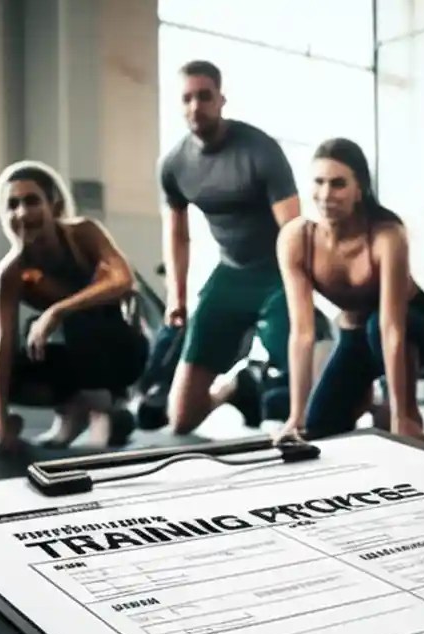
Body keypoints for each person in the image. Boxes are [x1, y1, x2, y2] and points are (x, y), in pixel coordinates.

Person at [0, 161, 147, 452]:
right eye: (12, 205)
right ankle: (76, 406)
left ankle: (106, 402)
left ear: (54, 207)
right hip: (74, 360)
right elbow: (3, 344)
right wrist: (1, 422)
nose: (22, 212)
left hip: (121, 351)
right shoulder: (10, 272)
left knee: (78, 320)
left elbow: (124, 278)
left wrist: (57, 311)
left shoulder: (83, 233)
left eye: (32, 201)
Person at [158, 60, 301, 435]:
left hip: (277, 276)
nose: (195, 106)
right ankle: (236, 386)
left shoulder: (260, 149)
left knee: (315, 399)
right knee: (181, 419)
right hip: (229, 276)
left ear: (221, 99)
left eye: (204, 96)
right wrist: (177, 295)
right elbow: (176, 233)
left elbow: (293, 229)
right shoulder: (173, 165)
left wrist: (302, 289)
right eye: (187, 98)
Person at [275, 138, 424, 441]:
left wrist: (402, 417)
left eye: (338, 184)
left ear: (360, 189)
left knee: (375, 328)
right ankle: (374, 407)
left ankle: (406, 417)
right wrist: (295, 416)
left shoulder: (386, 236)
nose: (326, 195)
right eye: (319, 182)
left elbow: (391, 327)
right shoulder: (296, 239)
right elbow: (303, 332)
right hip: (360, 334)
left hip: (418, 326)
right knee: (320, 427)